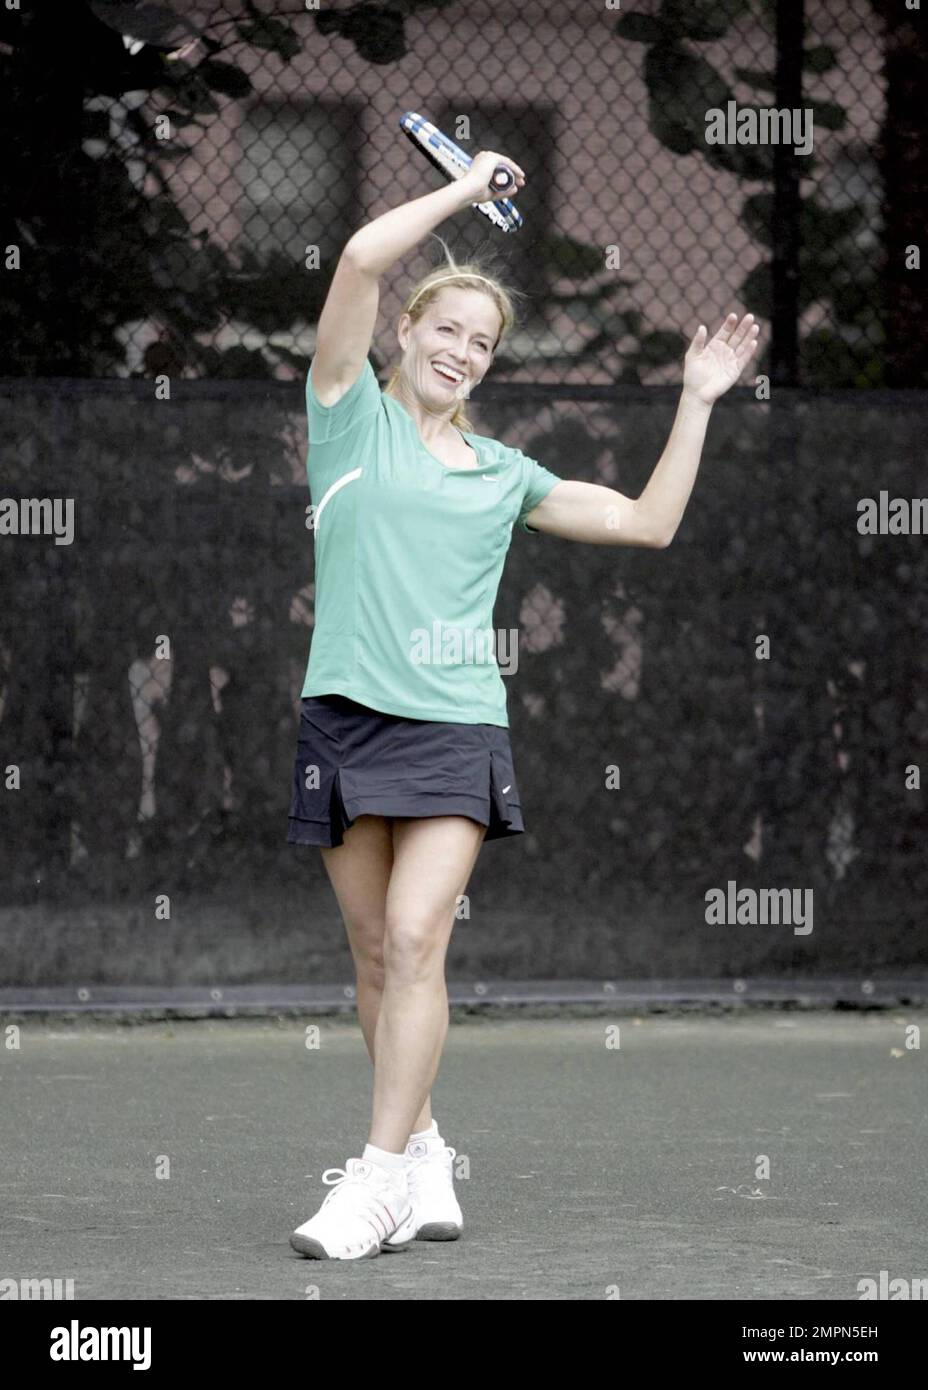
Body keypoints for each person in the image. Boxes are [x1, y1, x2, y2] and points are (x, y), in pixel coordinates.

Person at [288, 149, 760, 1261]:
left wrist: (693, 402)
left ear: (490, 366)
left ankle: (371, 1180)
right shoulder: (344, 415)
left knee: (414, 938)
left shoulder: (507, 474)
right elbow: (358, 254)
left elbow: (648, 524)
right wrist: (467, 190)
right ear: (406, 332)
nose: (460, 350)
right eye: (444, 329)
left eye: (481, 342)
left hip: (455, 726)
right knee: (368, 950)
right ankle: (423, 1154)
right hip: (341, 720)